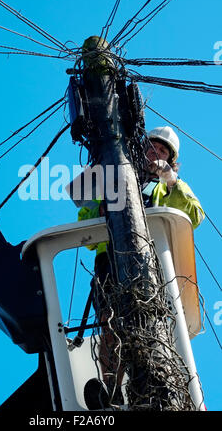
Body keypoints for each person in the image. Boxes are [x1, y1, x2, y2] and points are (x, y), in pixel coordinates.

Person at [78, 126, 204, 410]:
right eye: (152, 147)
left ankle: (162, 386)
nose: (155, 153)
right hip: (109, 262)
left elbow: (195, 216)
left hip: (153, 267)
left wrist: (171, 180)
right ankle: (111, 392)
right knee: (111, 322)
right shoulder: (113, 177)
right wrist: (98, 209)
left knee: (151, 324)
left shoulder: (168, 188)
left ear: (170, 161)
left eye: (162, 151)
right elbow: (85, 224)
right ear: (140, 148)